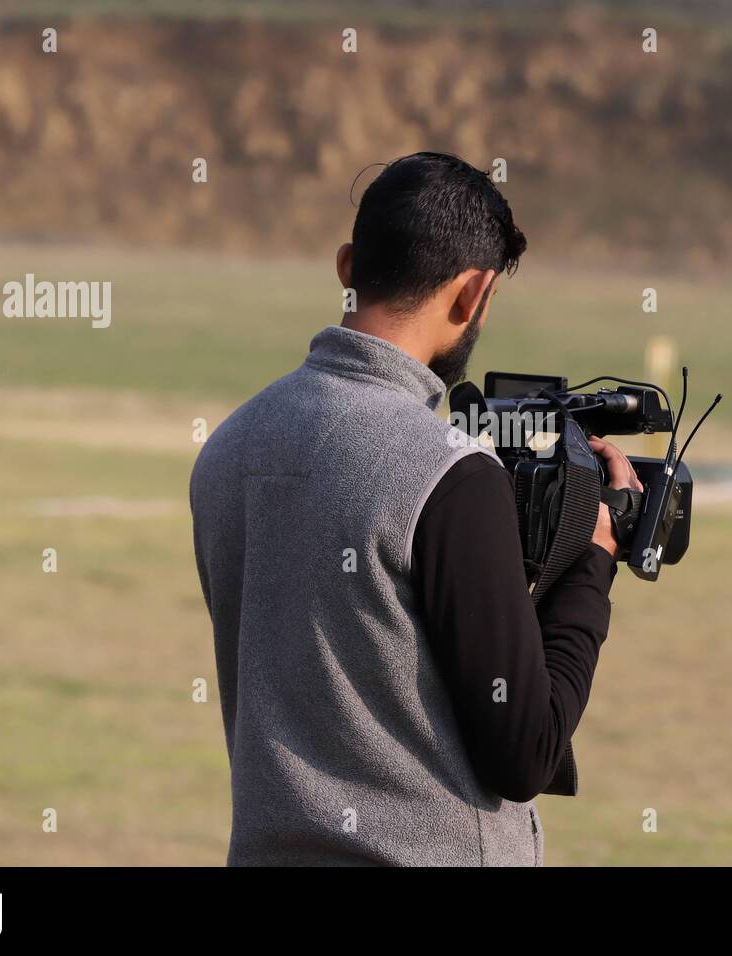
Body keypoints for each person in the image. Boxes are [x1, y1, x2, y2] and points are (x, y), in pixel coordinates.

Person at [189, 152, 641, 866]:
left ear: (347, 266)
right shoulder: (450, 473)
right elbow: (525, 751)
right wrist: (591, 562)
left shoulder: (227, 446)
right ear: (474, 294)